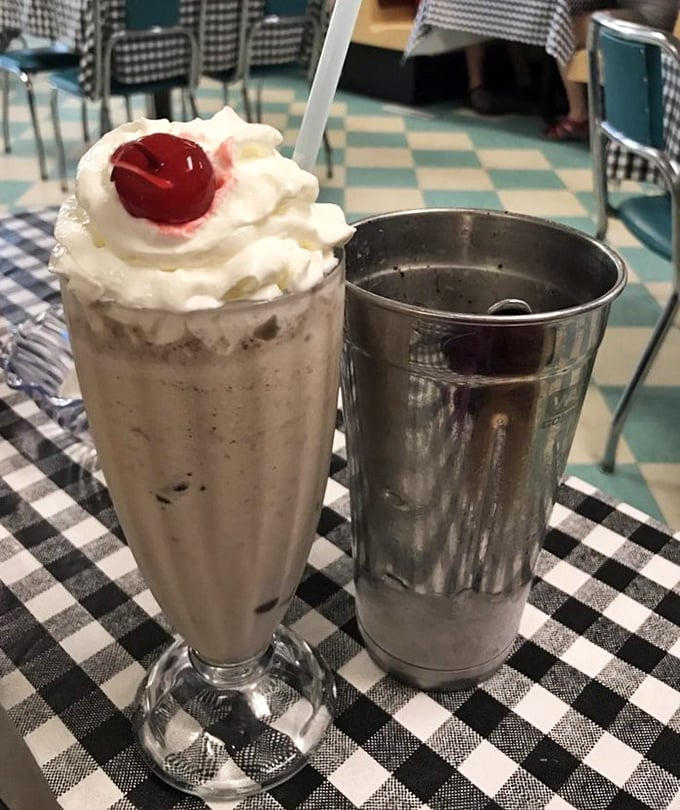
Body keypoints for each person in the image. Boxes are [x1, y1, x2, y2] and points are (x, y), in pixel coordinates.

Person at [544, 0, 679, 140]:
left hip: (649, 21)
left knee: (564, 31)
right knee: (569, 23)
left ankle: (578, 115)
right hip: (656, 17)